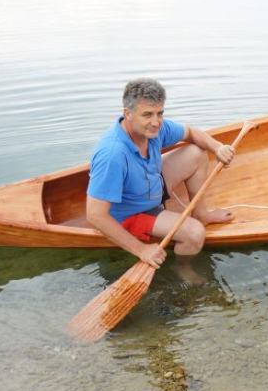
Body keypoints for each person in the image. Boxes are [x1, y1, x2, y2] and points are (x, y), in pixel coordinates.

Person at [86, 78, 234, 269]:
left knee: (196, 153)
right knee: (194, 234)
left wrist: (218, 147)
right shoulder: (112, 154)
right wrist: (141, 249)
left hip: (150, 186)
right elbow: (95, 215)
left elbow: (191, 132)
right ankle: (183, 271)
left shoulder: (155, 129)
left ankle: (201, 214)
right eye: (147, 115)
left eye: (160, 113)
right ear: (128, 114)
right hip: (131, 214)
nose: (156, 122)